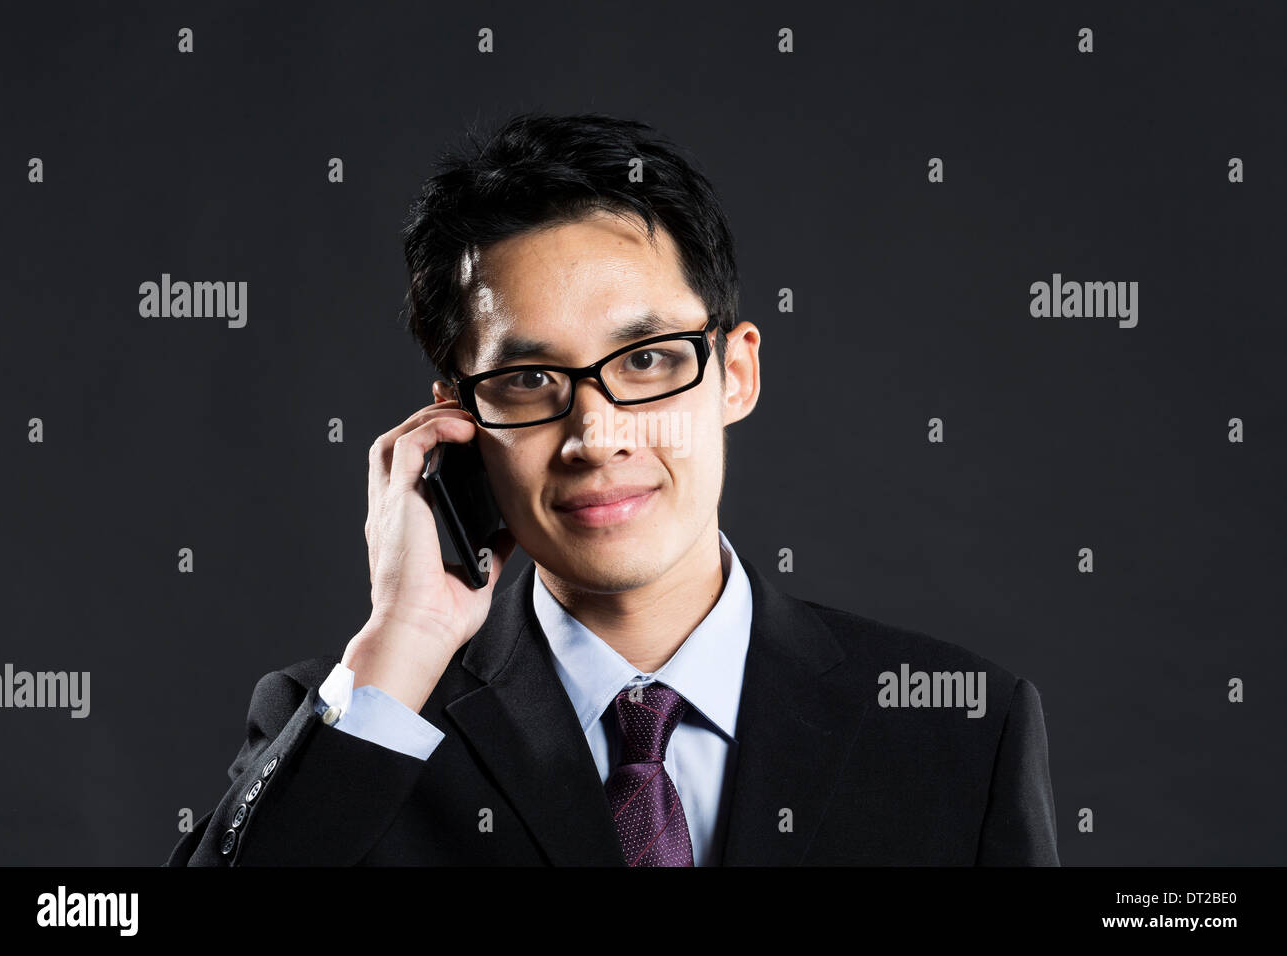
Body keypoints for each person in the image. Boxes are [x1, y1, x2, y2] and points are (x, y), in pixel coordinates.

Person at [166, 111, 1058, 866]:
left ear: (735, 373)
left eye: (647, 360)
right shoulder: (365, 719)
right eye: (527, 380)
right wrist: (406, 637)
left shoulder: (960, 726)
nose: (596, 437)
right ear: (456, 419)